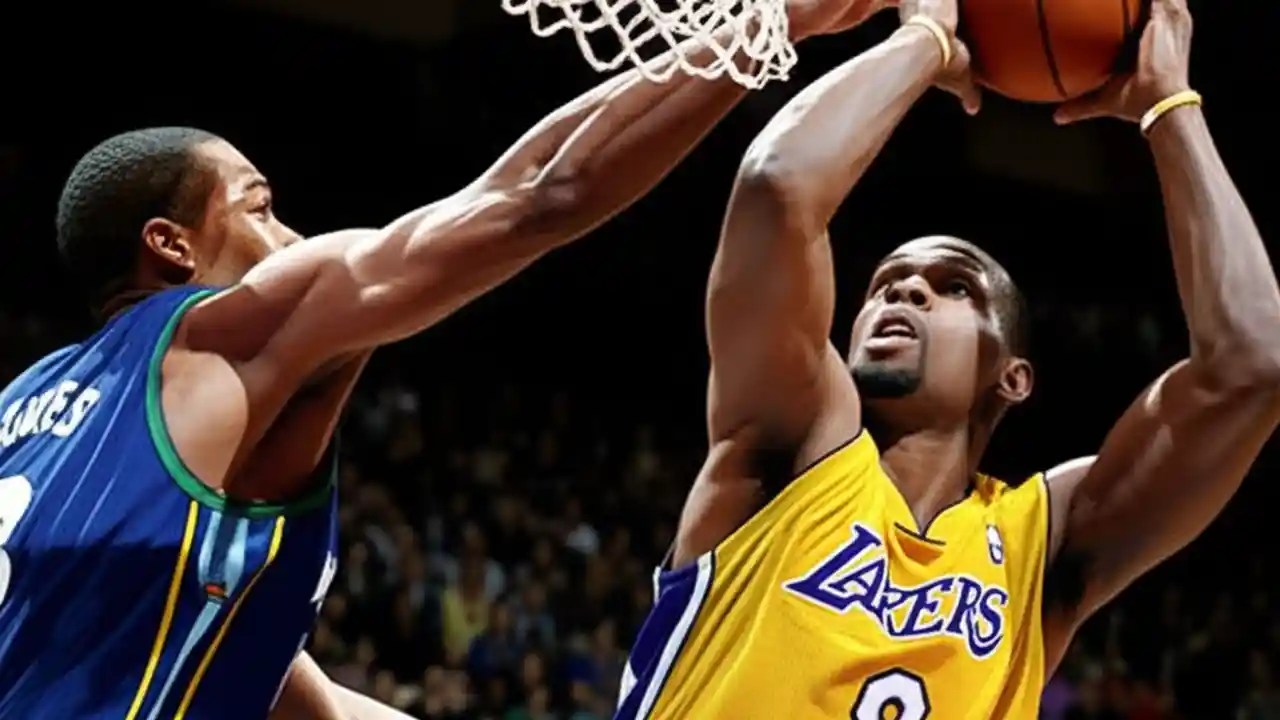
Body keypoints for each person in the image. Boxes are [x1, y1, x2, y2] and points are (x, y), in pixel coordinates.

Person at [0, 2, 876, 717]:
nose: (293, 235)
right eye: (260, 207)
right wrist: (769, 24)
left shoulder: (23, 414)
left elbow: (307, 703)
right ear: (172, 245)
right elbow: (538, 196)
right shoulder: (215, 339)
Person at [615, 0, 1279, 717]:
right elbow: (779, 187)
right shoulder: (791, 449)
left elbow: (1253, 366)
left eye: (953, 287)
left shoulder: (1040, 544)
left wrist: (1170, 107)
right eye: (885, 284)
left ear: (1013, 377)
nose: (905, 290)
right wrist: (924, 40)